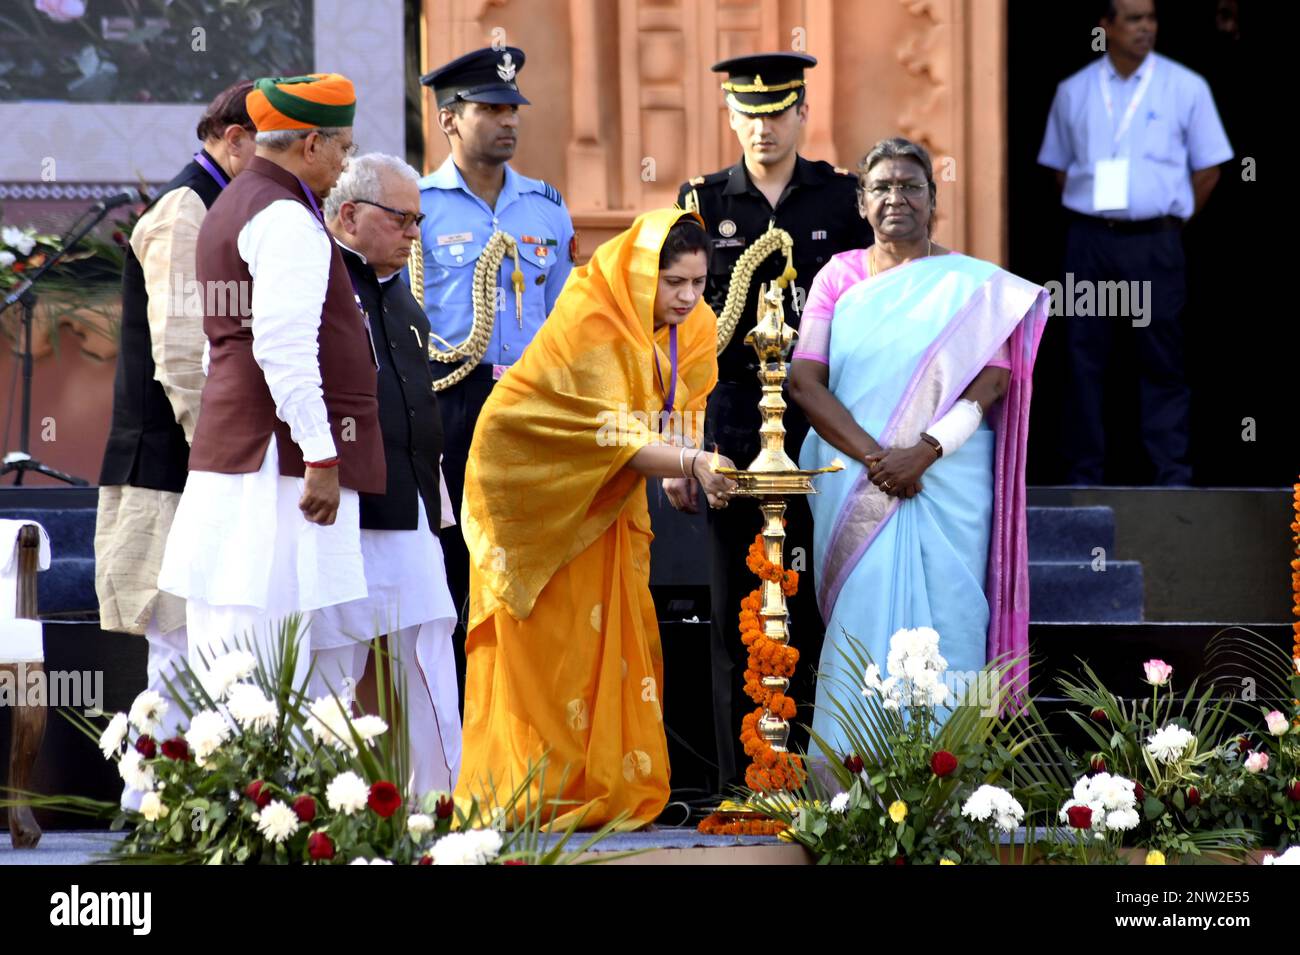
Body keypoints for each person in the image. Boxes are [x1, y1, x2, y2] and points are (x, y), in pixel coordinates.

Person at [454, 210, 735, 829]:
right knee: (549, 651)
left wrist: (678, 469)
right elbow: (609, 435)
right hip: (528, 492)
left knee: (608, 640)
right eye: (674, 283)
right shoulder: (591, 317)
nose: (689, 298)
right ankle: (533, 792)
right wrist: (690, 460)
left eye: (698, 282)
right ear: (640, 277)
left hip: (603, 499)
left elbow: (674, 404)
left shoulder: (693, 326)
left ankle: (603, 787)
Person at [788, 137, 1048, 754]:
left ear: (933, 199)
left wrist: (923, 452)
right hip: (858, 480)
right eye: (881, 187)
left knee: (953, 617)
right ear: (860, 203)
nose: (895, 198)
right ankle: (851, 782)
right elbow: (804, 380)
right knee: (863, 621)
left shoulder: (973, 288)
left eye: (910, 186)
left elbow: (994, 379)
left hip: (947, 477)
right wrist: (880, 459)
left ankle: (949, 778)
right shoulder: (837, 277)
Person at [674, 52, 872, 791]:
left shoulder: (842, 198)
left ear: (802, 115)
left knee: (817, 600)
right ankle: (741, 787)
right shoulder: (701, 200)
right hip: (731, 433)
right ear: (730, 117)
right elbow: (680, 329)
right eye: (748, 113)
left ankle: (817, 781)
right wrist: (682, 443)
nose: (762, 127)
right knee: (736, 609)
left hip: (823, 429)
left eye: (777, 112)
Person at [157, 73, 384, 689]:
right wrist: (321, 453)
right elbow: (283, 349)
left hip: (238, 451)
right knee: (266, 666)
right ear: (311, 145)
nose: (345, 164)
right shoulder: (283, 216)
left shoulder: (233, 201)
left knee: (234, 657)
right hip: (274, 469)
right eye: (343, 148)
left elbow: (216, 351)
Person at [95, 79, 256, 772]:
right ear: (235, 138)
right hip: (173, 468)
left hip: (204, 464)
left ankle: (191, 797)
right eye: (271, 145)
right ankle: (155, 801)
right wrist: (223, 457)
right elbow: (184, 358)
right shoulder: (185, 209)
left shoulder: (223, 200)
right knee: (178, 645)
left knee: (210, 643)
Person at [414, 46, 575, 702]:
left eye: (513, 109)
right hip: (451, 397)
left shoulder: (545, 207)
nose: (509, 121)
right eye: (491, 109)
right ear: (450, 119)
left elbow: (569, 319)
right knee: (456, 567)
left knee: (530, 564)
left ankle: (523, 715)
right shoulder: (420, 205)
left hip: (529, 403)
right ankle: (459, 725)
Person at [1037, 0, 1232, 485]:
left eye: (1151, 18)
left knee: (1161, 356)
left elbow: (1209, 169)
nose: (1145, 28)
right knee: (1083, 356)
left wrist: (1167, 222)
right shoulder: (1074, 90)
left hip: (1155, 244)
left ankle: (1172, 475)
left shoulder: (1186, 86)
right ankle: (1084, 474)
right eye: (1133, 19)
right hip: (1090, 243)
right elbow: (1060, 170)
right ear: (1105, 25)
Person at [319, 152, 460, 795]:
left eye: (419, 221)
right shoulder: (321, 282)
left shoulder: (400, 292)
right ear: (349, 214)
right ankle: (346, 804)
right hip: (341, 509)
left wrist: (437, 507)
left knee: (417, 658)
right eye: (402, 218)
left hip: (410, 510)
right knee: (341, 667)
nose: (414, 234)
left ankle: (419, 804)